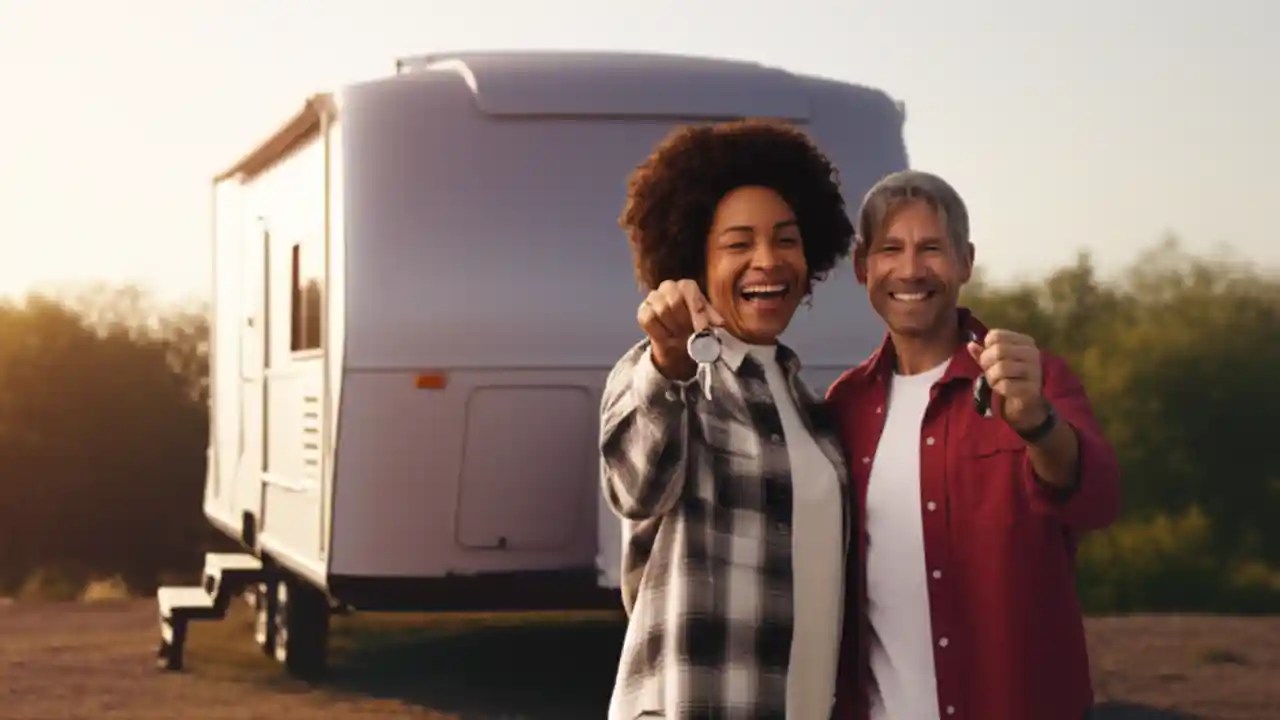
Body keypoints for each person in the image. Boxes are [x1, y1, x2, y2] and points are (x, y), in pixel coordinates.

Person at [826, 169, 1122, 720]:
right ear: (862, 267)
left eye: (932, 248)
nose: (911, 269)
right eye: (891, 249)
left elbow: (1097, 498)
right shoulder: (842, 406)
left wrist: (1035, 423)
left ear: (965, 261)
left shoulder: (1034, 379)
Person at [599, 119, 857, 719]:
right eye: (739, 244)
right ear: (695, 258)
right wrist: (668, 361)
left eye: (786, 239)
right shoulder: (663, 375)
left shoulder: (809, 406)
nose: (768, 261)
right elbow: (634, 488)